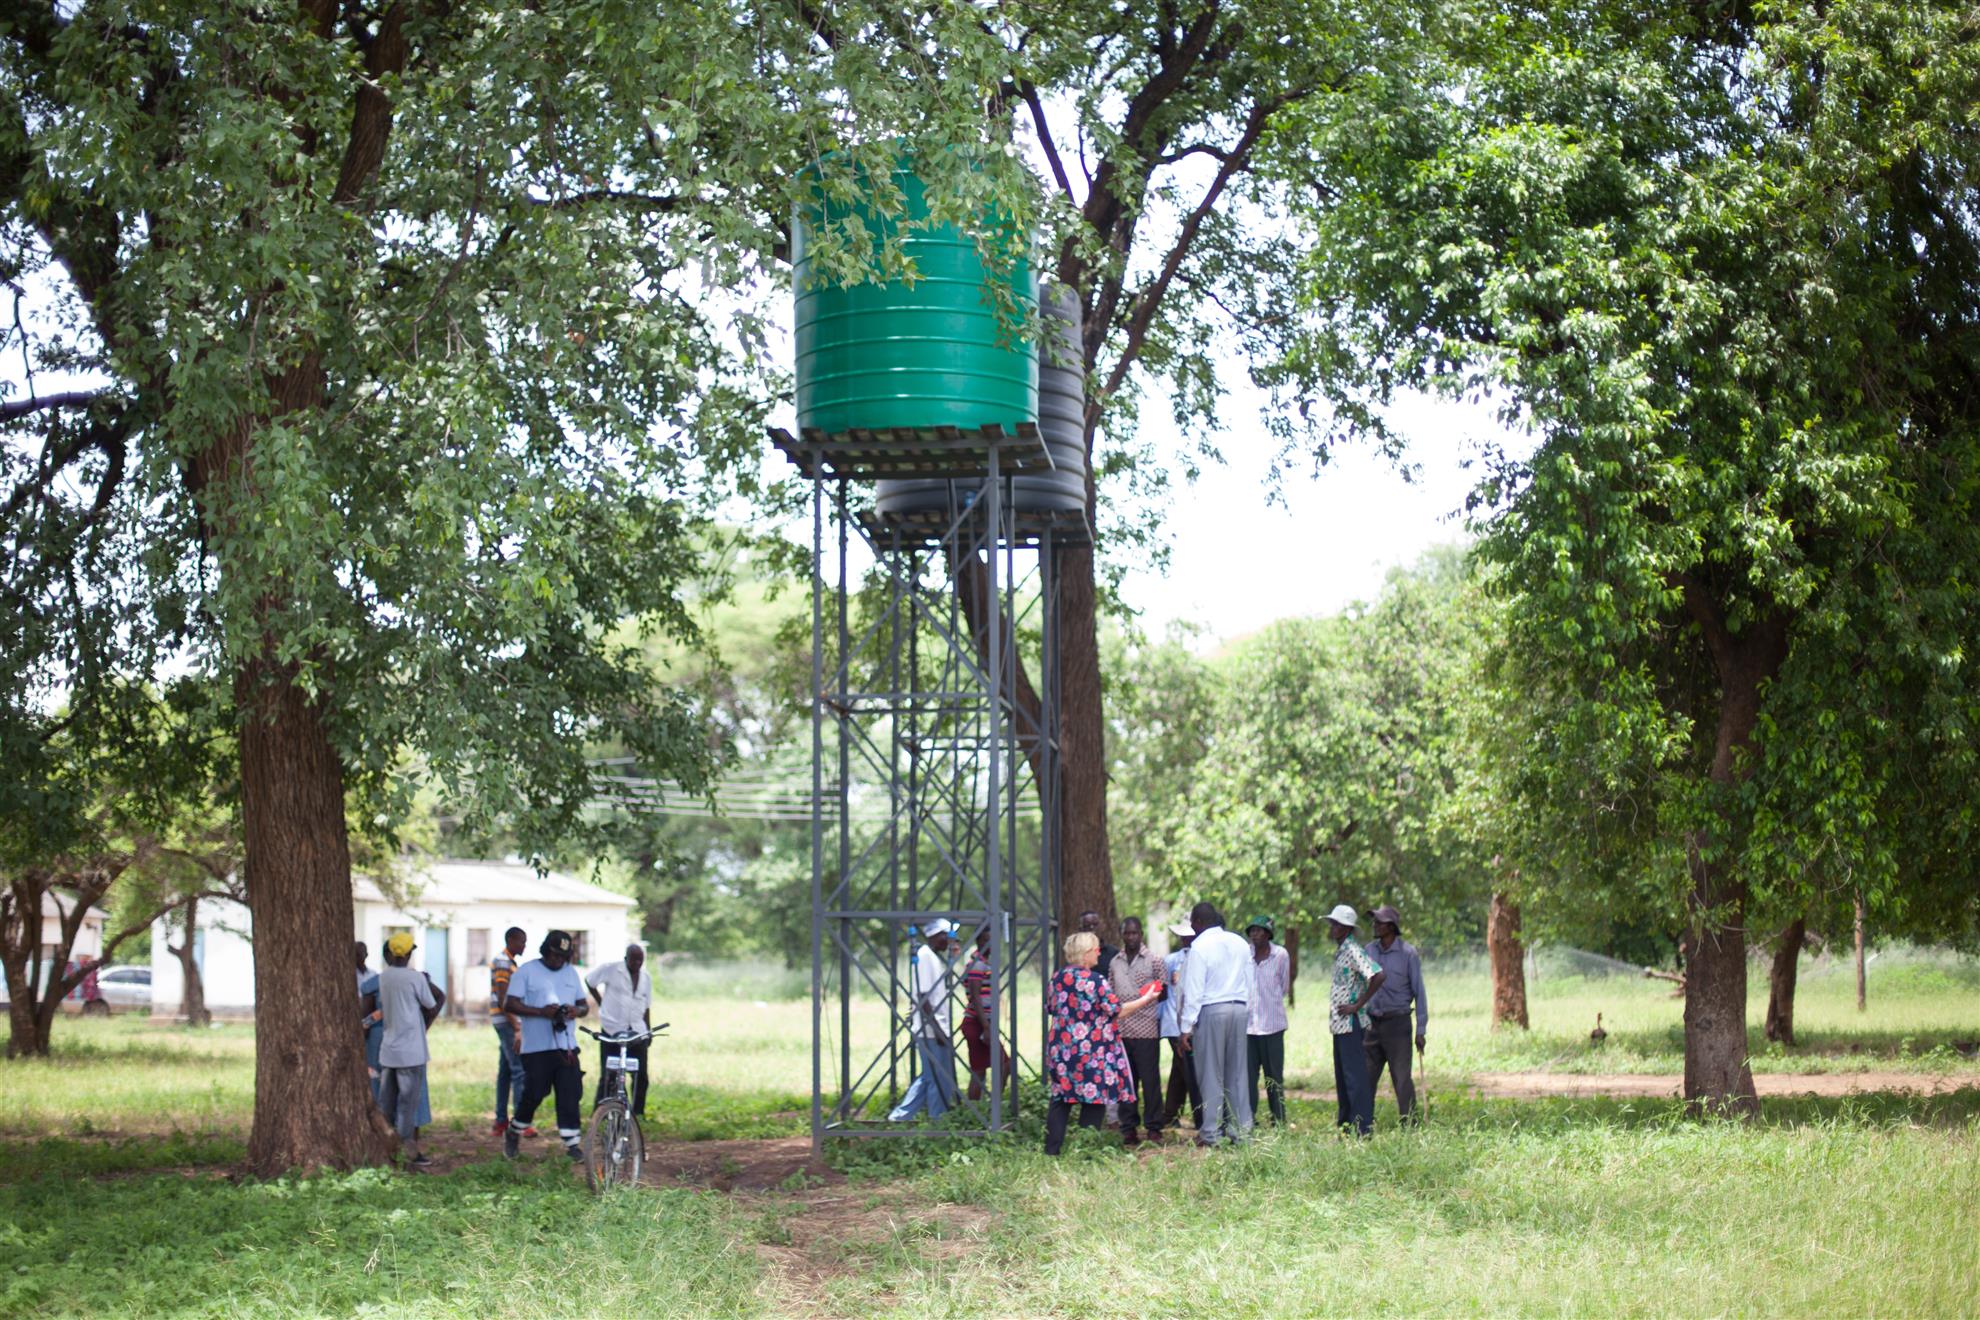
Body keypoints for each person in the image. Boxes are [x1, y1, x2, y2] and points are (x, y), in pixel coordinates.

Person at [1045, 931, 1160, 1155]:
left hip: (1062, 1050)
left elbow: (1050, 1008)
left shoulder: (1057, 978)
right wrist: (1146, 999)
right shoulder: (1094, 980)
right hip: (1091, 1051)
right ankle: (1084, 1150)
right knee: (1093, 1098)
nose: (1099, 952)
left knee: (1061, 1098)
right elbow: (1116, 1010)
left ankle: (1052, 1150)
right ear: (1086, 953)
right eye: (1096, 949)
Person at [503, 930, 590, 1161]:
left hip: (566, 1046)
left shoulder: (571, 974)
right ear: (545, 950)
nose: (557, 960)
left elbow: (584, 1006)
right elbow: (510, 1004)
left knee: (570, 1093)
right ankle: (514, 1130)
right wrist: (541, 1012)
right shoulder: (527, 972)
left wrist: (575, 1011)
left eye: (562, 956)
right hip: (536, 1047)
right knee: (535, 1093)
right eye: (554, 955)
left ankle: (572, 1143)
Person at [1179, 901, 1255, 1147]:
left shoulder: (1199, 946)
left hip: (1212, 1011)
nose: (1191, 928)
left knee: (1211, 1074)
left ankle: (1211, 1133)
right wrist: (1247, 1012)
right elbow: (1251, 982)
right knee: (1238, 1074)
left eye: (1192, 923)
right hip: (1239, 1008)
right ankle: (1241, 1132)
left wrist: (1185, 1028)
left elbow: (1194, 991)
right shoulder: (1240, 943)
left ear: (1199, 922)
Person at [375, 932, 445, 1167]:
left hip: (388, 1051)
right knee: (406, 1105)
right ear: (407, 953)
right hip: (411, 1052)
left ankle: (384, 1147)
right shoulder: (415, 978)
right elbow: (431, 1003)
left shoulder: (384, 978)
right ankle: (405, 1150)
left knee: (386, 1103)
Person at [1363, 904, 1429, 1125]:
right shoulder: (1368, 951)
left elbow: (1419, 992)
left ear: (1391, 927)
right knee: (1367, 1077)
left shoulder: (1408, 954)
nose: (1375, 926)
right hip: (1372, 1023)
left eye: (1379, 922)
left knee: (1401, 1078)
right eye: (1374, 922)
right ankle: (1363, 1123)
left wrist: (1420, 1030)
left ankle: (1409, 1123)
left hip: (1398, 1023)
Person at [888, 919, 959, 1123]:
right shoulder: (925, 957)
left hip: (936, 1028)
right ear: (937, 936)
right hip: (930, 1030)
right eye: (947, 936)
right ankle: (935, 1121)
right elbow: (923, 997)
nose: (950, 941)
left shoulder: (932, 958)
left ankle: (902, 1117)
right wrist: (937, 1030)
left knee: (935, 1076)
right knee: (935, 1078)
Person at [1325, 904, 1386, 1138]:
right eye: (1332, 924)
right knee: (1343, 1077)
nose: (1332, 928)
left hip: (1352, 1023)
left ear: (1346, 928)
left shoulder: (1353, 949)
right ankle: (1346, 1125)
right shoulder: (1341, 950)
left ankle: (1362, 1128)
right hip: (1340, 1025)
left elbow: (1378, 975)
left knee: (1355, 1077)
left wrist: (1358, 1005)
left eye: (1336, 924)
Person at [1107, 917, 1166, 1145]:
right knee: (1126, 1083)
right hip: (1122, 1030)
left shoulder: (1154, 960)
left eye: (1135, 933)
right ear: (1122, 935)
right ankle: (1128, 1127)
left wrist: (1144, 997)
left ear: (1141, 934)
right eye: (1127, 933)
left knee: (1150, 1082)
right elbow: (1111, 994)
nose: (1131, 937)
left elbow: (1163, 991)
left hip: (1147, 1029)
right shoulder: (1115, 962)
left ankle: (1154, 1127)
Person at [586, 942, 654, 1118]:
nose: (637, 963)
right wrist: (601, 1004)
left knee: (641, 1076)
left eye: (641, 960)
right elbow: (590, 981)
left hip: (637, 1031)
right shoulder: (611, 970)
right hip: (612, 1030)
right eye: (634, 959)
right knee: (609, 1075)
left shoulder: (646, 978)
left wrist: (648, 1030)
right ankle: (600, 1113)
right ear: (626, 958)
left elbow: (646, 1006)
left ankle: (637, 1113)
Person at [1244, 915, 1293, 1127]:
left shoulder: (1280, 955)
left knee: (1274, 1077)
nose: (1255, 935)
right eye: (1252, 931)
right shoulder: (1244, 954)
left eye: (1259, 931)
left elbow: (1283, 987)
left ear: (1268, 934)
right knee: (1248, 1077)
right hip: (1248, 1027)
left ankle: (1278, 1119)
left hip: (1272, 1026)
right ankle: (1249, 1118)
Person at [1160, 920, 1203, 1132]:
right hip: (1172, 1023)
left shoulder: (1201, 957)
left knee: (1181, 1069)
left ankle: (1171, 1114)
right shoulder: (1170, 961)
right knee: (1188, 1070)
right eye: (1183, 936)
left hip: (1193, 1022)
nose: (1187, 939)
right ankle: (1199, 1116)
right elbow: (1163, 993)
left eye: (1190, 936)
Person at [490, 927, 531, 1137]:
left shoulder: (509, 962)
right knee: (518, 1070)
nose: (524, 946)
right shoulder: (504, 963)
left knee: (505, 1071)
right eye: (521, 941)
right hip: (506, 1020)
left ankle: (500, 1121)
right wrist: (516, 1025)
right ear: (511, 940)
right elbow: (503, 996)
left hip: (504, 1019)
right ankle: (520, 1123)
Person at [960, 926, 1008, 1102]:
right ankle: (988, 1108)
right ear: (980, 942)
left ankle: (987, 1107)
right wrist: (986, 1028)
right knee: (990, 1067)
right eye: (989, 940)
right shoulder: (978, 964)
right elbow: (975, 997)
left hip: (982, 1023)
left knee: (984, 1069)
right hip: (978, 1024)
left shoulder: (983, 962)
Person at [1078, 910, 1119, 979]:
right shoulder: (1075, 953)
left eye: (1095, 924)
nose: (1092, 928)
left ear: (1101, 927)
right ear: (1080, 929)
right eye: (1087, 925)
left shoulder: (1112, 952)